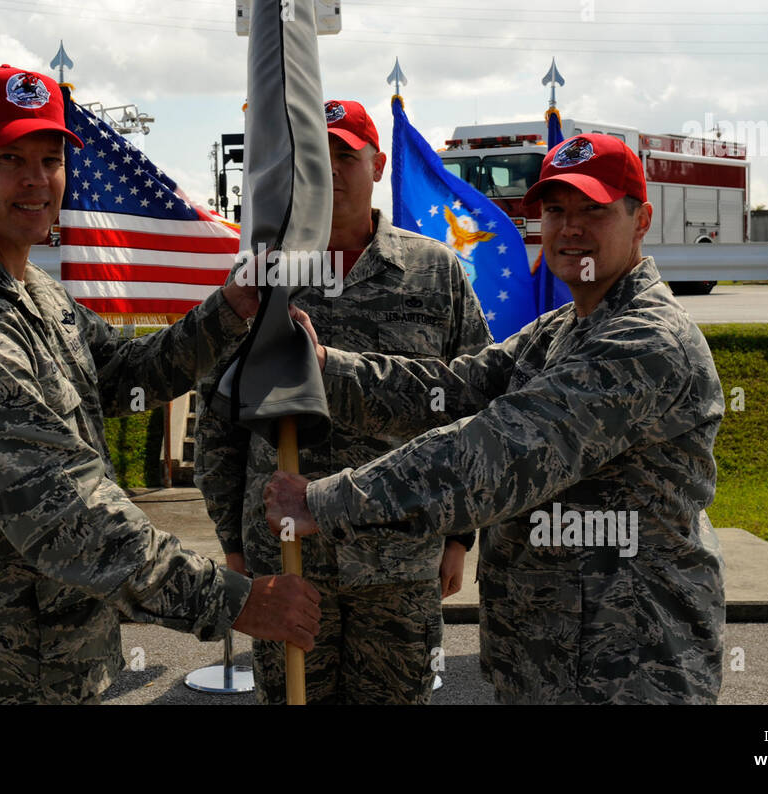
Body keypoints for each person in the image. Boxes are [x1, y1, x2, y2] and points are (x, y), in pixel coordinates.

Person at [0, 64, 320, 704]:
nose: (36, 180)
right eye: (8, 158)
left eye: (50, 160)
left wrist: (232, 309)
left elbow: (124, 376)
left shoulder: (29, 289)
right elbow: (64, 512)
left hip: (55, 662)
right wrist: (237, 602)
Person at [265, 133, 727, 704]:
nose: (570, 227)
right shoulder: (564, 329)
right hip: (552, 659)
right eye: (556, 210)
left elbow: (495, 454)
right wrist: (327, 367)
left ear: (641, 219)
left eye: (593, 209)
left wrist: (322, 501)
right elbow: (455, 389)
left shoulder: (646, 340)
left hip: (628, 664)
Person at [195, 99, 492, 704]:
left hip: (402, 554)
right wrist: (231, 540)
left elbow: (477, 409)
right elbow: (219, 424)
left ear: (377, 165)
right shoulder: (265, 277)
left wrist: (461, 536)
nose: (328, 171)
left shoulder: (435, 273)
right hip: (287, 558)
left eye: (343, 156)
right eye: (314, 157)